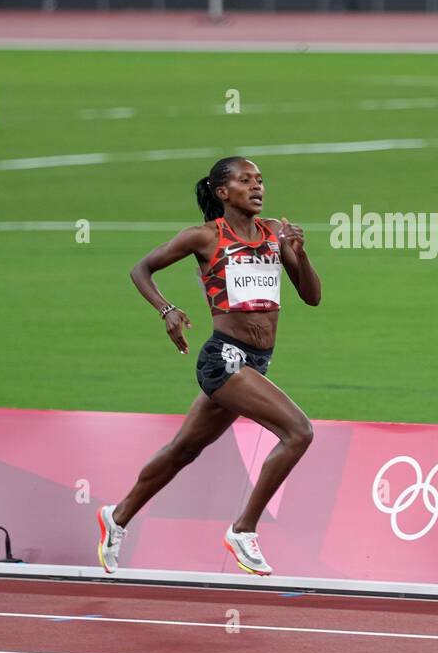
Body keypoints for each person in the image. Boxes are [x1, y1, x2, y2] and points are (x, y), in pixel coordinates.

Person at [97, 156, 322, 577]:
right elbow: (140, 268)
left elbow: (312, 296)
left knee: (184, 449)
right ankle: (244, 529)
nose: (257, 187)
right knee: (298, 432)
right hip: (224, 359)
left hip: (257, 362)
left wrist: (300, 253)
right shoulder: (202, 237)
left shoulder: (275, 233)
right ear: (223, 193)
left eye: (260, 180)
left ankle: (118, 516)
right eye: (245, 180)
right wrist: (165, 309)